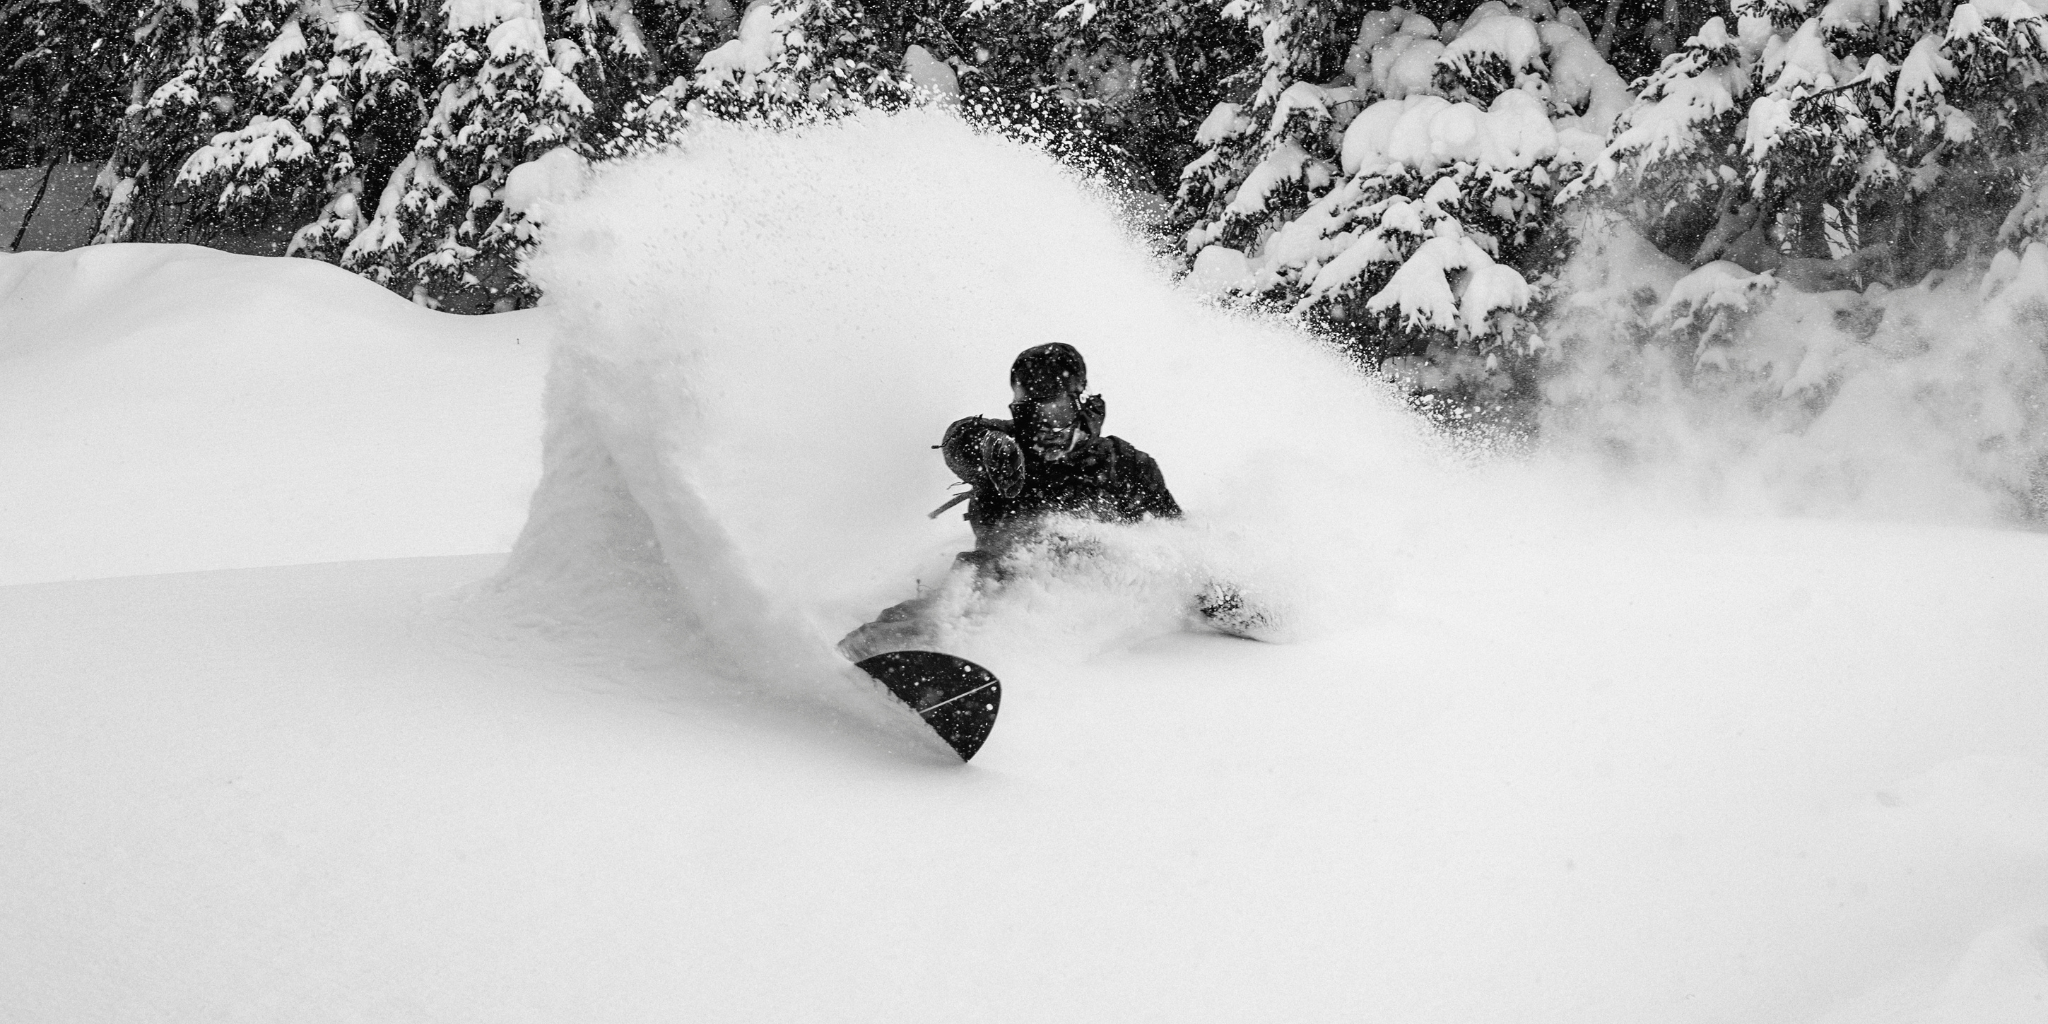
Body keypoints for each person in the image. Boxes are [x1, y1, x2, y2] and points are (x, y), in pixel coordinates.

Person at [837, 343, 1192, 662]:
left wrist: (1209, 589)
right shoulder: (1008, 445)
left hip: (1094, 593)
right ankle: (875, 654)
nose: (1046, 425)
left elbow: (1176, 542)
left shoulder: (1124, 464)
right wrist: (988, 447)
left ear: (1078, 403)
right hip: (1002, 577)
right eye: (1034, 411)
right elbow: (960, 440)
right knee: (960, 604)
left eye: (1056, 410)